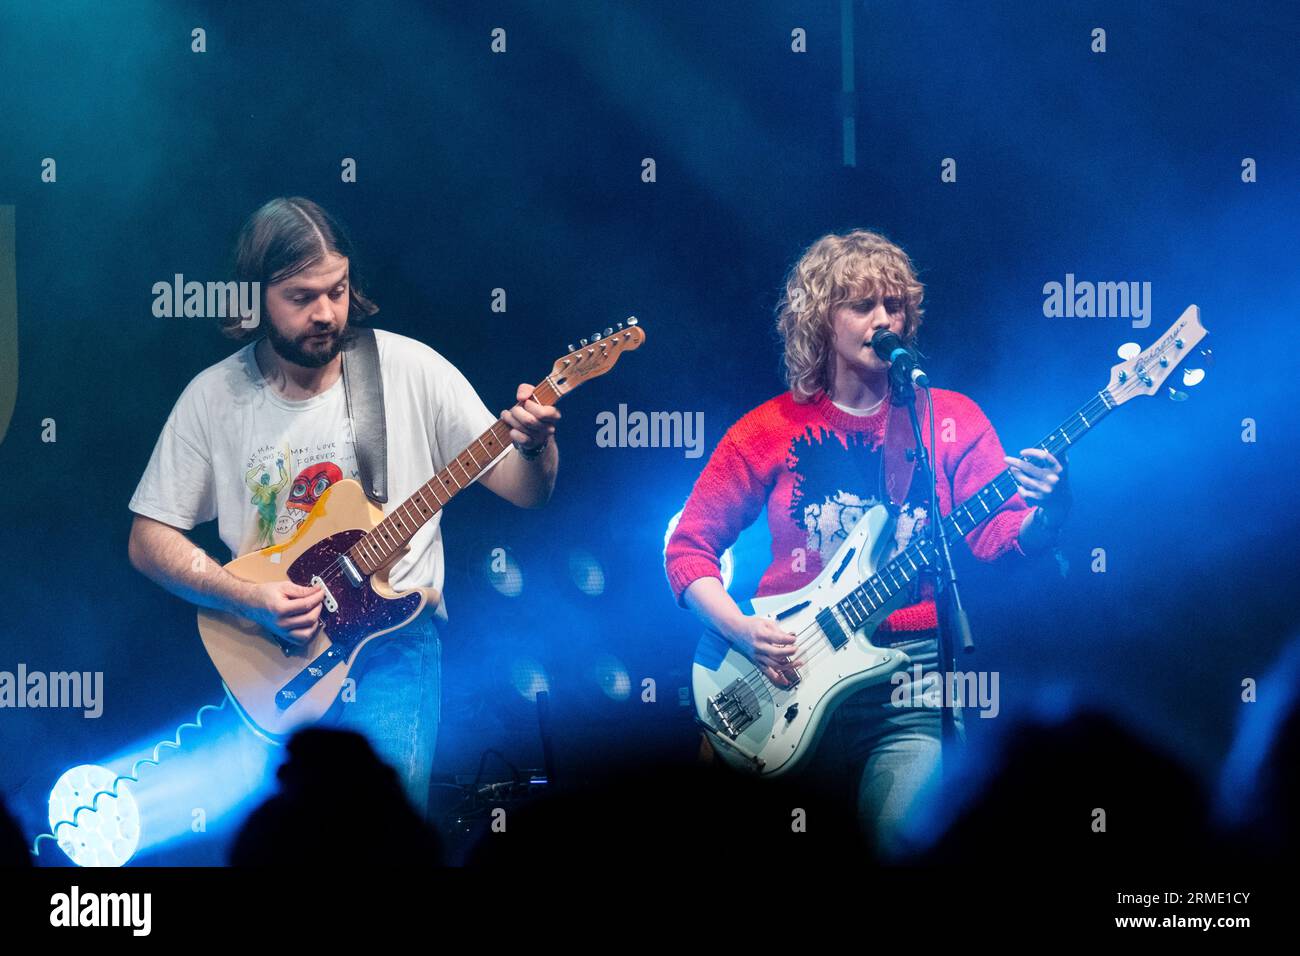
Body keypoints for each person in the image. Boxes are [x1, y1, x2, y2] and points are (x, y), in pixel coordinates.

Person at [127, 197, 560, 822]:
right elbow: (148, 539)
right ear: (254, 299)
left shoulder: (411, 369)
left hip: (392, 649)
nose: (327, 312)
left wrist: (538, 445)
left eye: (338, 289)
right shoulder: (213, 397)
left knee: (375, 844)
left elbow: (528, 490)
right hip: (272, 653)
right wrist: (244, 597)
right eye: (301, 297)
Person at [664, 229, 1071, 858]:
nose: (885, 320)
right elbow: (689, 548)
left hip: (912, 683)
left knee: (905, 846)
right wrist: (742, 629)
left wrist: (1054, 510)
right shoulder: (768, 429)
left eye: (896, 305)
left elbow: (999, 537)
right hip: (786, 669)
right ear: (819, 320)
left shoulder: (952, 419)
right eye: (862, 305)